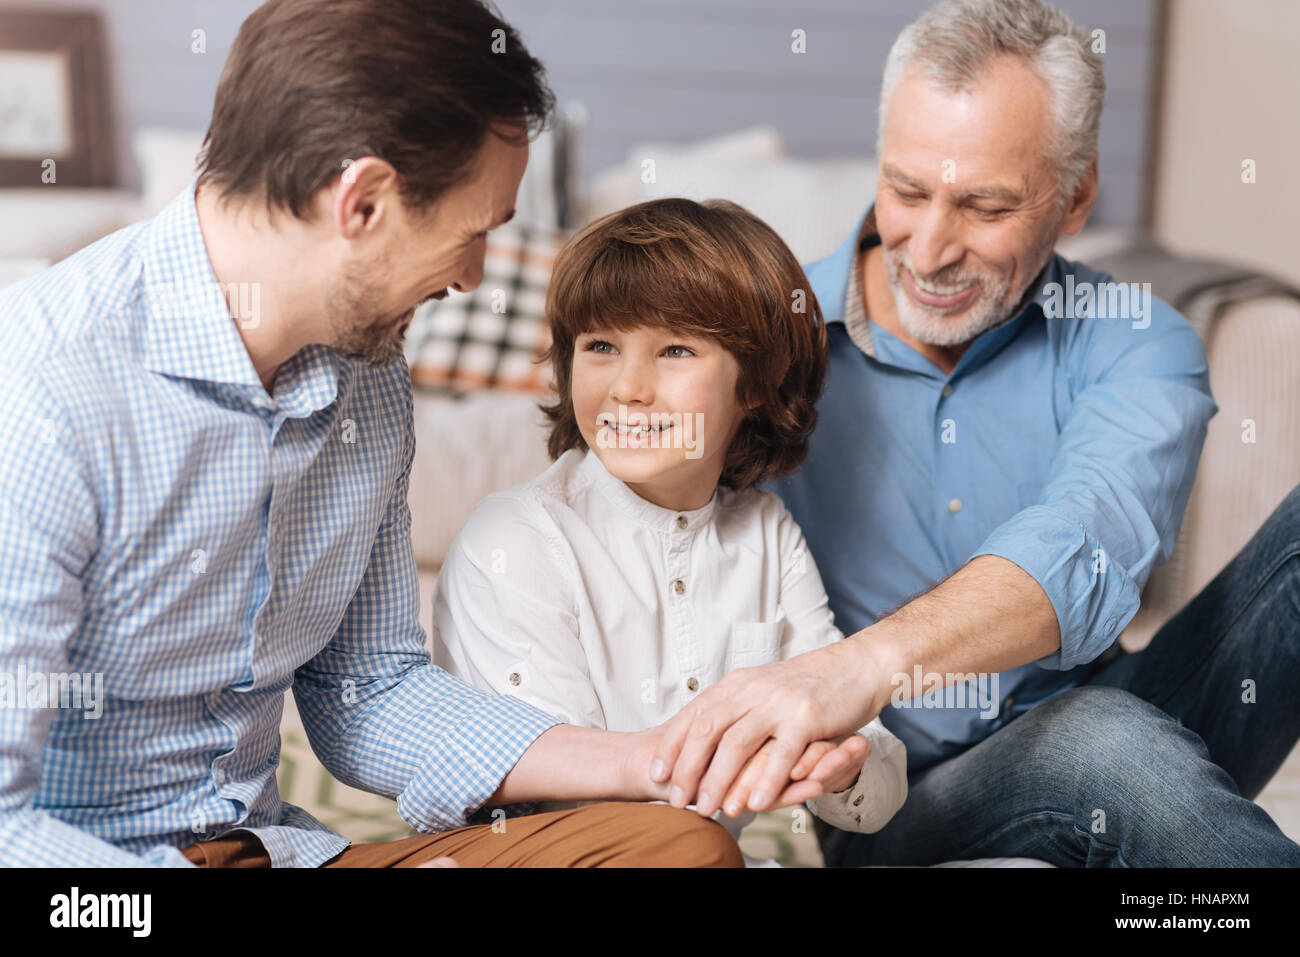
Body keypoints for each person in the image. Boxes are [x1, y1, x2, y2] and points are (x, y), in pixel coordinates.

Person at [0, 0, 846, 869]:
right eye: (472, 232)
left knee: (680, 846)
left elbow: (370, 690)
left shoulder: (371, 385)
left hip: (283, 854)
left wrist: (641, 759)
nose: (474, 277)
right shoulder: (41, 385)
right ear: (363, 200)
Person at [647, 0, 1300, 867]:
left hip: (1132, 716)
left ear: (1076, 196)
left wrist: (853, 670)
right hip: (894, 799)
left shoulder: (1137, 338)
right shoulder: (764, 332)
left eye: (985, 206)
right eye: (906, 190)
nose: (930, 247)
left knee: (1109, 729)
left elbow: (1087, 536)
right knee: (1102, 740)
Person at [433, 198, 909, 866]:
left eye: (675, 349)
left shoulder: (766, 533)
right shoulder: (514, 538)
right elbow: (574, 814)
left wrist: (844, 768)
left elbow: (877, 777)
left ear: (756, 384)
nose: (628, 386)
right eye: (600, 345)